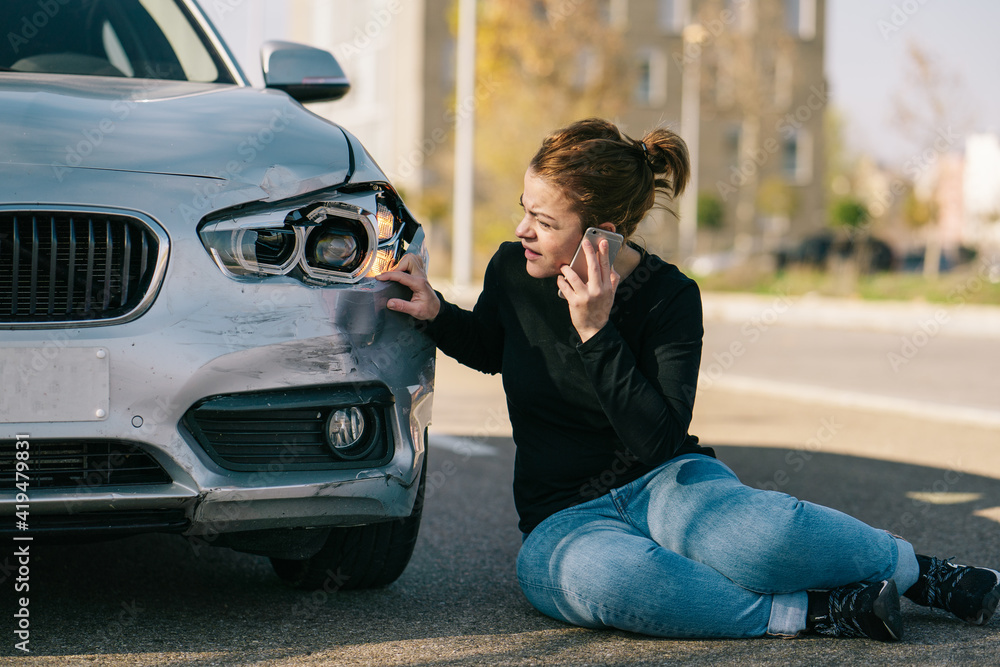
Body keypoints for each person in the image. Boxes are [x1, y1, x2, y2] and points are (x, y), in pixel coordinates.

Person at [377, 118, 1000, 640]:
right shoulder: (516, 270)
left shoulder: (670, 297)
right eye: (524, 211)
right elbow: (493, 347)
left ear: (604, 231)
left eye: (543, 220)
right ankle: (815, 613)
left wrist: (597, 332)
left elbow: (658, 439)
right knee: (608, 582)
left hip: (668, 483)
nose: (521, 231)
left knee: (762, 541)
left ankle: (920, 572)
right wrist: (436, 312)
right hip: (563, 516)